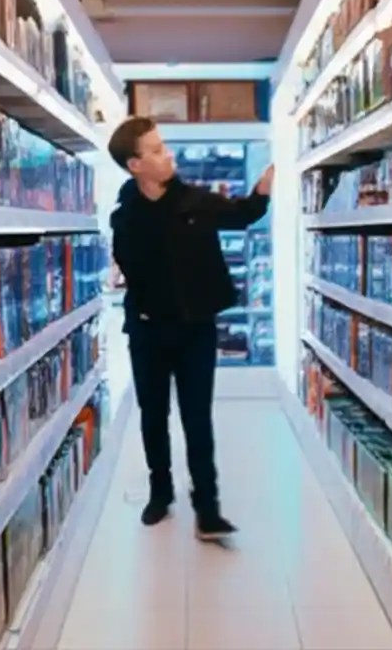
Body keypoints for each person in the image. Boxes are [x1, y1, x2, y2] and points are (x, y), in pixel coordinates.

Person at [107, 116, 271, 539]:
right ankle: (160, 493)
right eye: (157, 150)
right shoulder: (124, 218)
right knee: (153, 415)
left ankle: (208, 509)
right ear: (135, 165)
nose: (168, 155)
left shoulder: (196, 202)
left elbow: (243, 215)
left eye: (165, 146)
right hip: (147, 332)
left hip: (195, 329)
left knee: (197, 417)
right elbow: (129, 268)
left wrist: (261, 192)